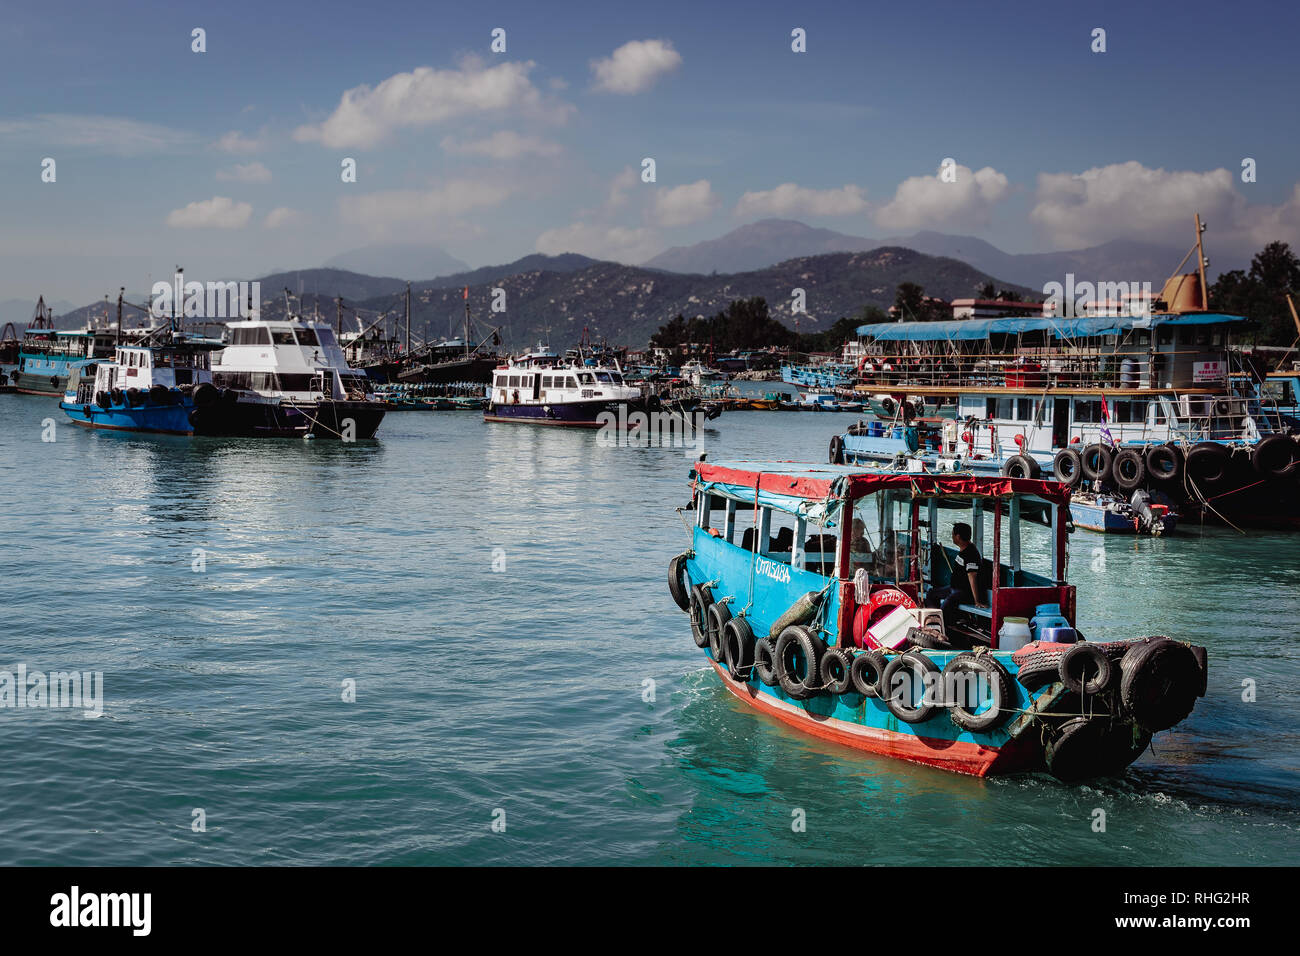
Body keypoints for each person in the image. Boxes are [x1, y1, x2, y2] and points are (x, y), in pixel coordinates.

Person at [925, 522, 985, 626]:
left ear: (958, 536)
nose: (952, 537)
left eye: (953, 534)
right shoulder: (963, 550)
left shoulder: (971, 553)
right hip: (954, 588)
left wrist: (977, 601)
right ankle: (935, 620)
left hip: (965, 592)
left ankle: (940, 627)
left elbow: (972, 577)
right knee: (931, 593)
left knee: (945, 607)